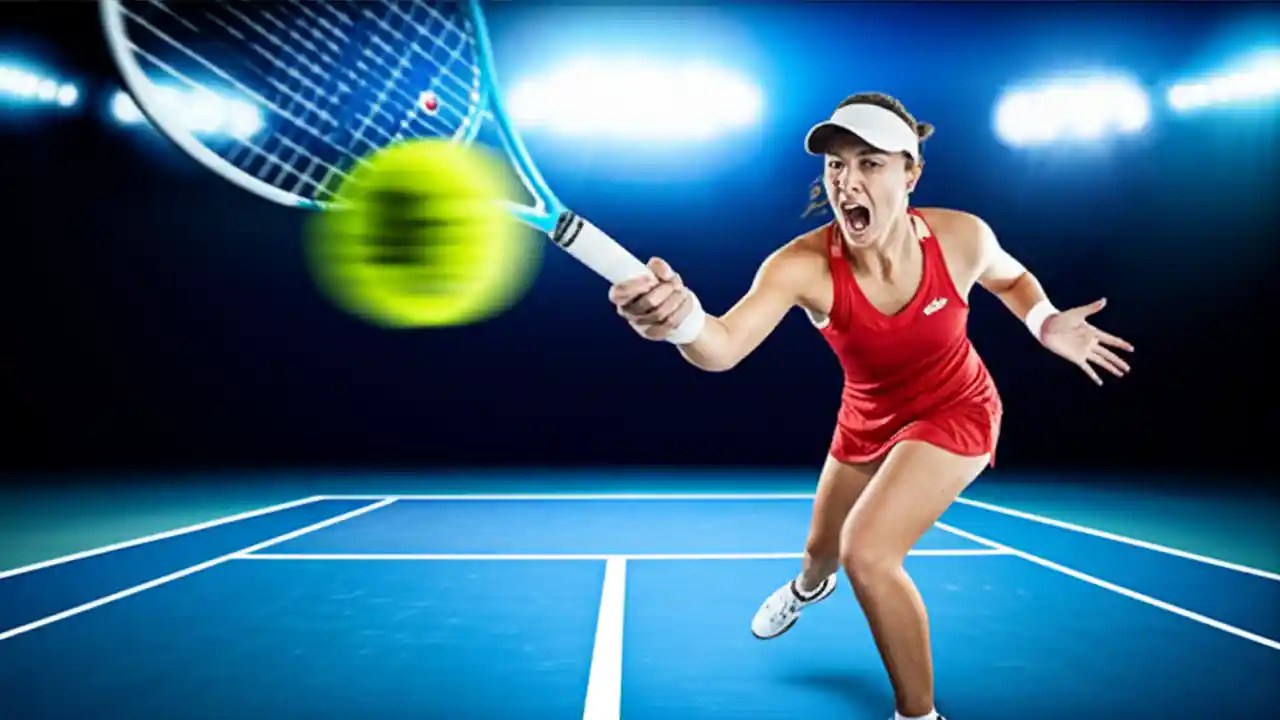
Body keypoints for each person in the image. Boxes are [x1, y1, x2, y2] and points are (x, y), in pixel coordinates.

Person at [606, 91, 1134, 720]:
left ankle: (919, 714)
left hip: (957, 409)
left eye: (870, 163)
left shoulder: (961, 236)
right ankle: (806, 589)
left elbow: (1012, 279)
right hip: (866, 417)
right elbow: (722, 348)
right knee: (820, 554)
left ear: (911, 173)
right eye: (835, 165)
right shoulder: (801, 266)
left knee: (869, 552)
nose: (847, 180)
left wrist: (1045, 323)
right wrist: (680, 320)